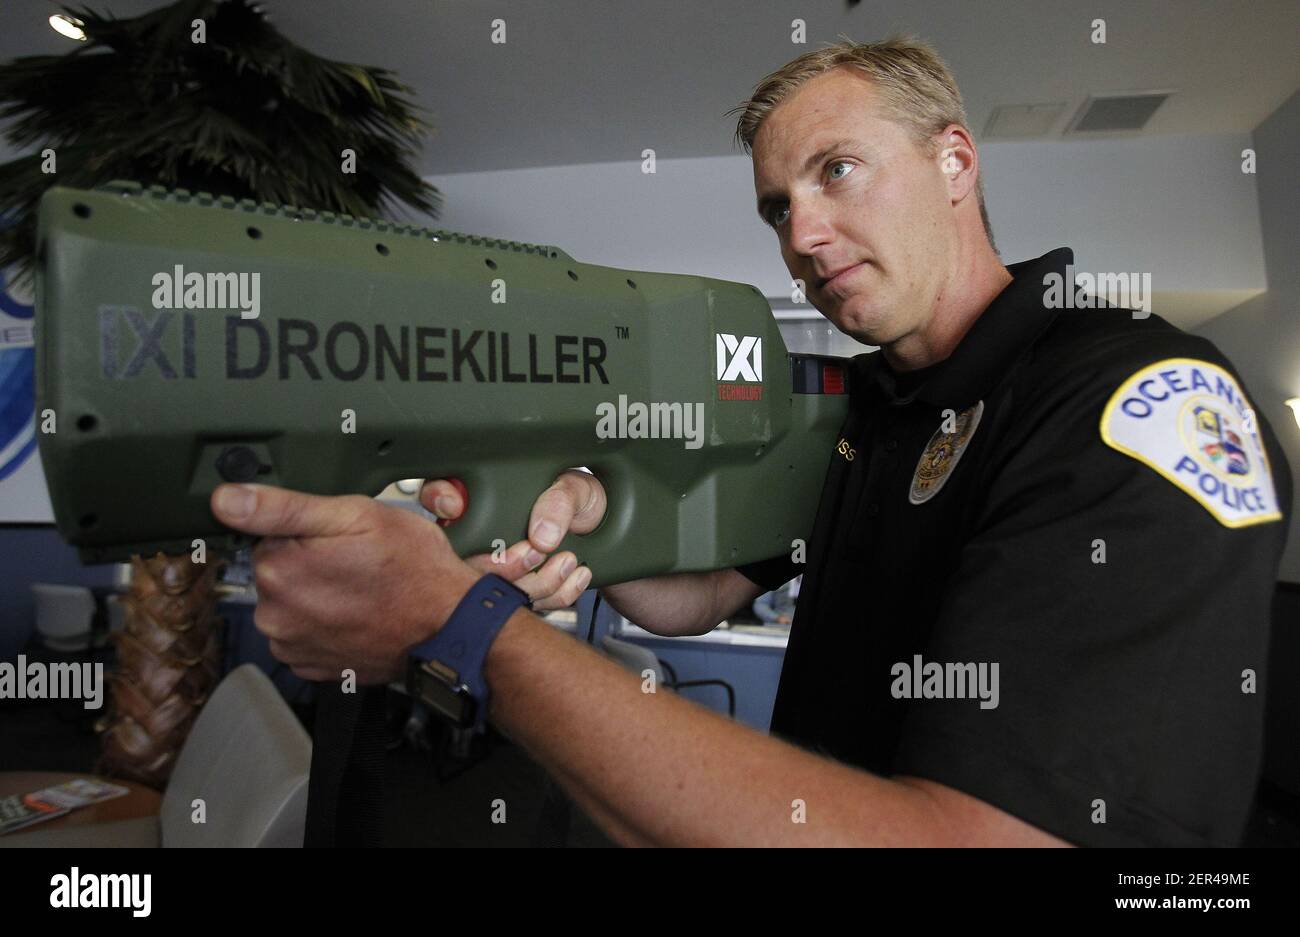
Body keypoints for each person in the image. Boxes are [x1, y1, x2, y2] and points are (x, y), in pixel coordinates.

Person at [210, 37, 1290, 846]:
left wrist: (460, 625)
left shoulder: (1129, 396)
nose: (801, 239)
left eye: (837, 171)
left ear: (954, 160)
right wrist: (585, 504)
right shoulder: (859, 411)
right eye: (776, 206)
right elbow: (699, 593)